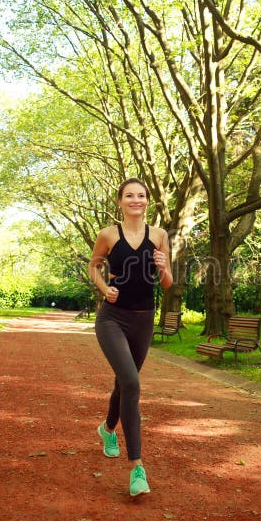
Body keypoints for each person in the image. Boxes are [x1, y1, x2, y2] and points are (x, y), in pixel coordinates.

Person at [88, 178, 173, 497]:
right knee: (132, 383)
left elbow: (167, 284)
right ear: (120, 201)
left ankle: (107, 429)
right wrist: (103, 288)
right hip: (112, 319)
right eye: (129, 196)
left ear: (147, 201)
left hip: (143, 321)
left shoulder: (160, 235)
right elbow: (93, 267)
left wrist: (163, 267)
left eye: (141, 196)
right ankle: (137, 467)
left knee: (124, 382)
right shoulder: (108, 235)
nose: (135, 200)